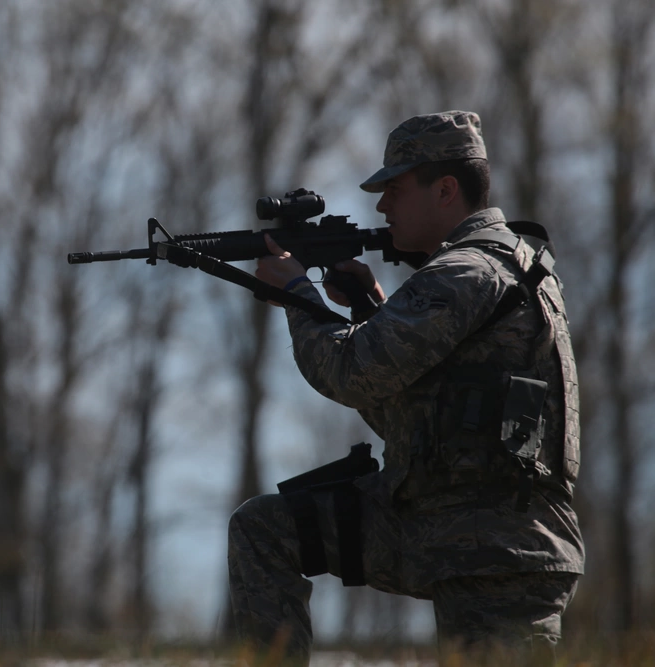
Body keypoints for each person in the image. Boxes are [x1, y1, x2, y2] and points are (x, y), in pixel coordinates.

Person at [230, 110, 584, 666]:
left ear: (445, 190)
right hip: (443, 521)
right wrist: (369, 308)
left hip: (498, 545)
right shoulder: (499, 262)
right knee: (265, 529)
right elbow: (406, 417)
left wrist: (298, 294)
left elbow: (349, 373)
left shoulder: (465, 272)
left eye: (394, 189)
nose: (381, 207)